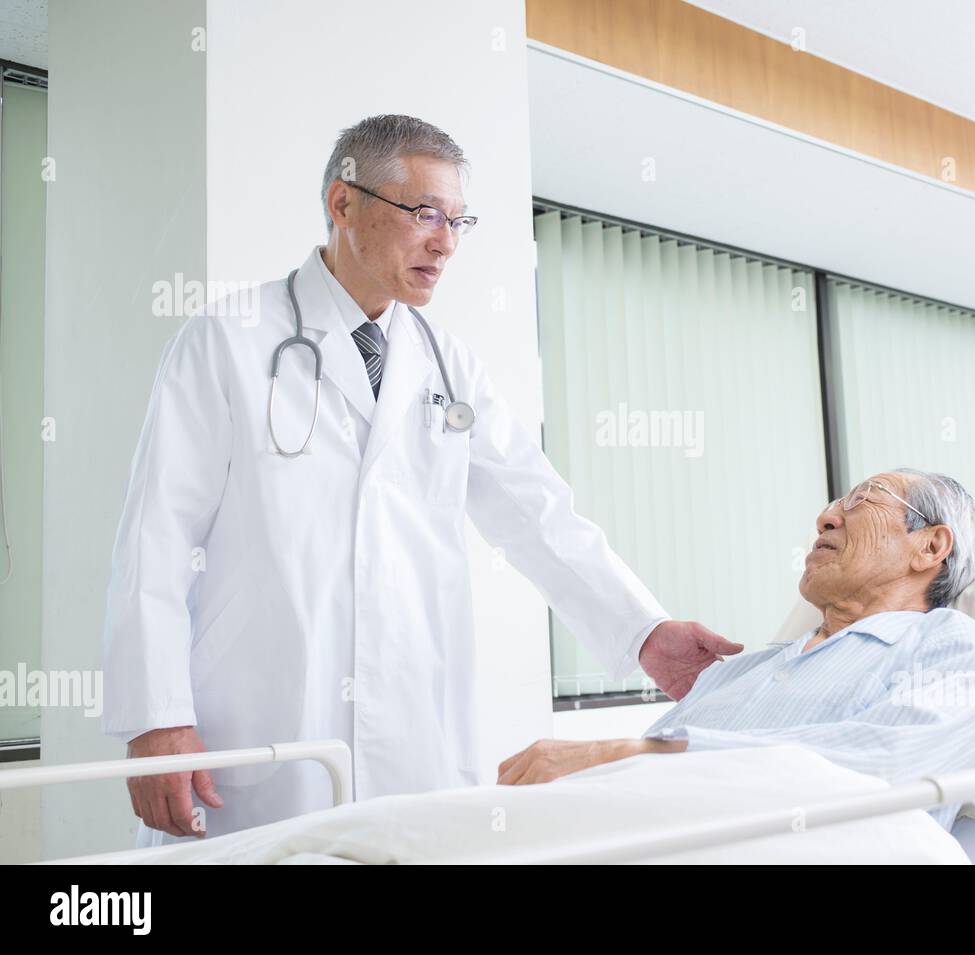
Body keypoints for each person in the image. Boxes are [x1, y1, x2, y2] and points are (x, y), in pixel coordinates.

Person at [101, 114, 740, 847]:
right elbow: (156, 538)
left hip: (410, 738)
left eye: (460, 220)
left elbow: (538, 513)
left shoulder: (445, 364)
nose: (446, 241)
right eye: (425, 214)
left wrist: (644, 629)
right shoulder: (227, 340)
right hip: (259, 736)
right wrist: (156, 717)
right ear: (344, 203)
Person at [497, 468, 975, 832]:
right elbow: (628, 790)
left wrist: (643, 753)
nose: (826, 518)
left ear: (930, 546)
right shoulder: (736, 672)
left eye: (864, 499)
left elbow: (889, 767)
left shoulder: (956, 647)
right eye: (835, 504)